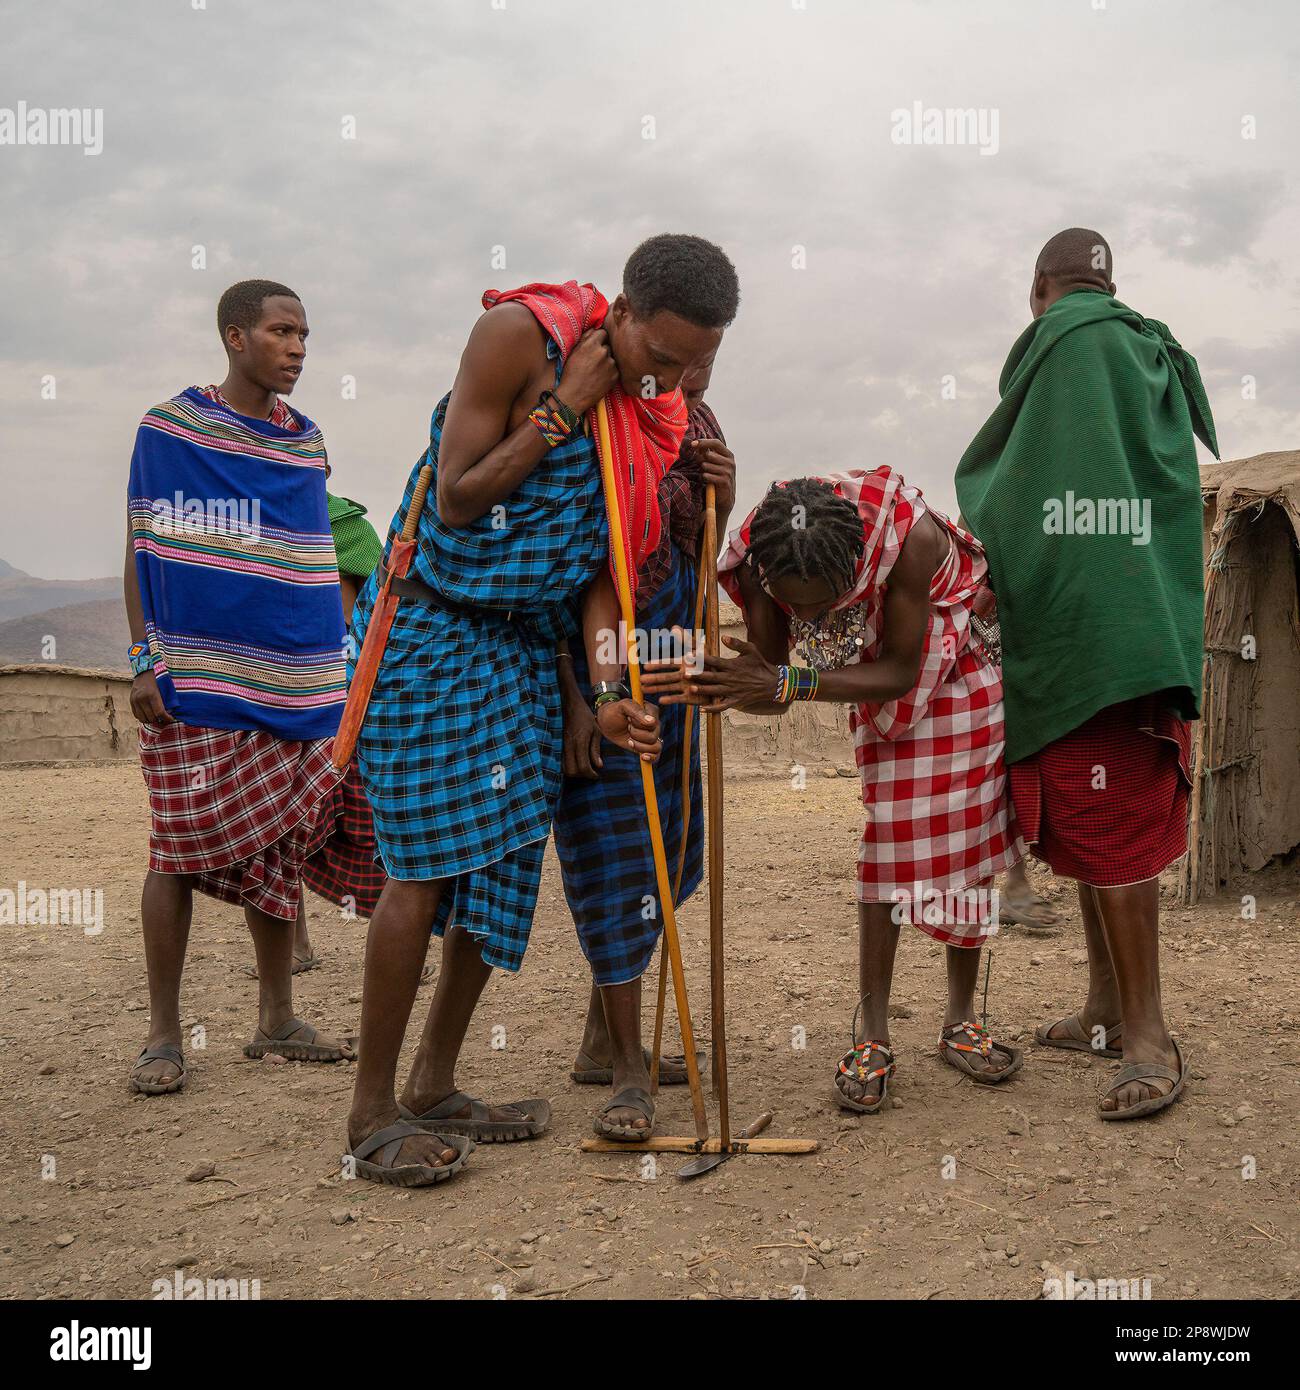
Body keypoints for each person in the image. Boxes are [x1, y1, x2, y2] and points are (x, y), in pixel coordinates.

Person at [343, 236, 740, 1185]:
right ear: (626, 316)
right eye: (664, 356)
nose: (678, 378)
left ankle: (434, 1085)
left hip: (525, 647)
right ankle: (369, 1112)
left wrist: (606, 697)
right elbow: (457, 498)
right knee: (429, 866)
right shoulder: (520, 338)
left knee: (503, 866)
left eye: (702, 363)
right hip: (435, 632)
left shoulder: (657, 412)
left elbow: (602, 576)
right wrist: (565, 410)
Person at [645, 468, 1023, 1114]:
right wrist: (727, 685)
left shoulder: (909, 541)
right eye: (801, 608)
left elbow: (901, 669)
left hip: (956, 662)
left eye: (824, 603)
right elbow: (770, 683)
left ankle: (961, 1021)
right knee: (888, 847)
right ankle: (872, 1037)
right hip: (882, 686)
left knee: (971, 842)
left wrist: (791, 683)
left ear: (853, 568)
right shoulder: (763, 559)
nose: (813, 619)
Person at [956, 228, 1217, 1120]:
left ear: (1040, 289)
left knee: (1112, 827)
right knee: (1095, 820)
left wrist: (985, 556)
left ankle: (1149, 1036)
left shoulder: (1063, 349)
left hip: (1087, 634)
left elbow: (1016, 493)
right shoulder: (1144, 347)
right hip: (1141, 623)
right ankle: (1107, 1008)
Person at [125, 279, 354, 1096]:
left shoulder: (305, 440)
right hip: (197, 674)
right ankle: (162, 1033)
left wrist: (333, 666)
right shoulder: (170, 430)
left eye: (304, 333)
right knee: (175, 849)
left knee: (281, 845)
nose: (297, 347)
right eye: (281, 331)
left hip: (297, 677)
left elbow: (306, 550)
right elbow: (143, 548)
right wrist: (143, 660)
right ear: (234, 336)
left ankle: (277, 1018)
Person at [554, 359, 736, 1140]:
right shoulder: (603, 430)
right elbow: (568, 577)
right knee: (617, 861)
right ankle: (630, 1072)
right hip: (606, 680)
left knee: (673, 853)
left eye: (708, 364)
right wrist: (578, 703)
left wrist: (721, 490)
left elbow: (704, 558)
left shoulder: (699, 433)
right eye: (681, 360)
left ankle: (603, 1042)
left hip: (675, 676)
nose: (693, 377)